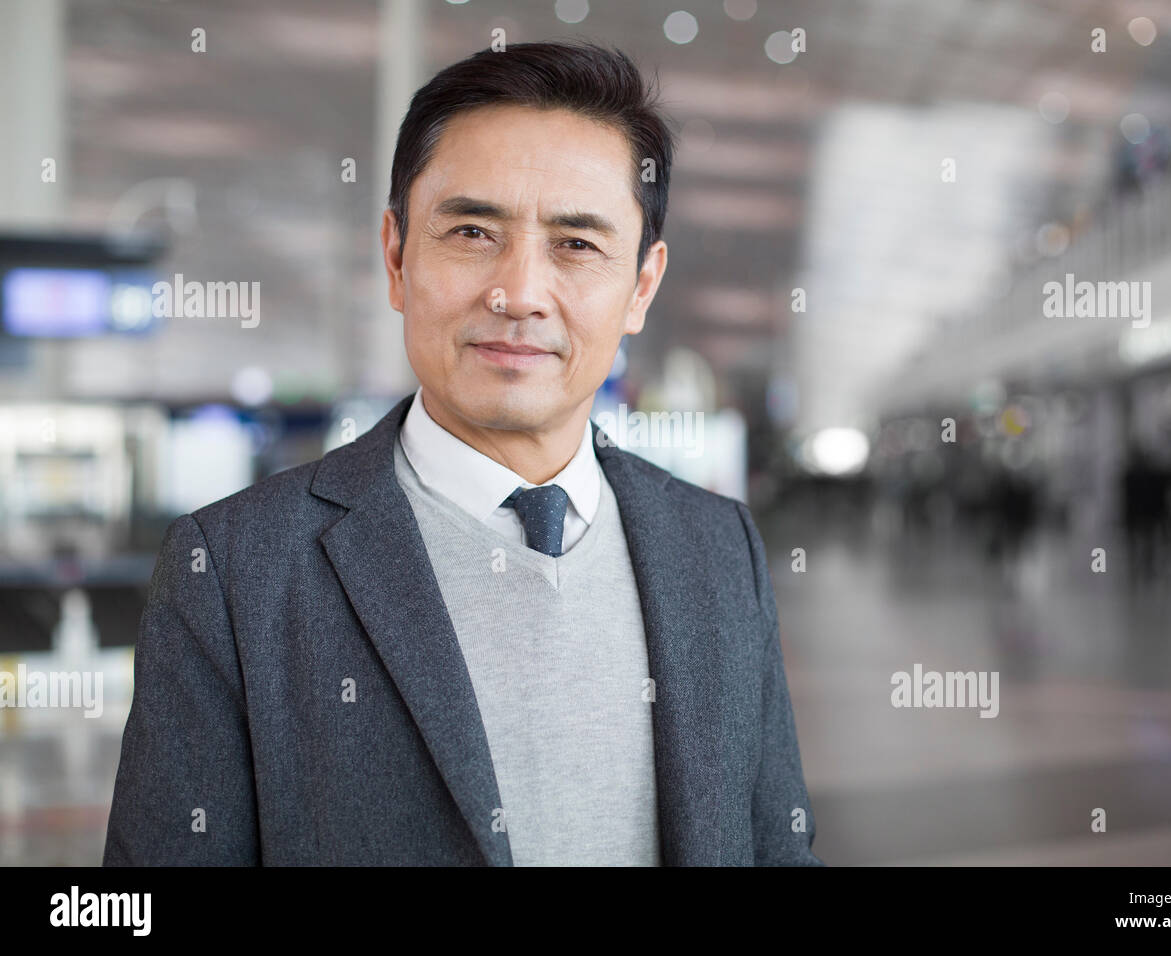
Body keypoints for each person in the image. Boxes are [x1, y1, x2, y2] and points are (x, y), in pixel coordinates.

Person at [102, 40, 822, 866]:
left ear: (642, 287)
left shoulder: (716, 547)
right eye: (473, 231)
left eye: (576, 244)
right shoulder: (236, 571)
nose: (517, 292)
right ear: (398, 256)